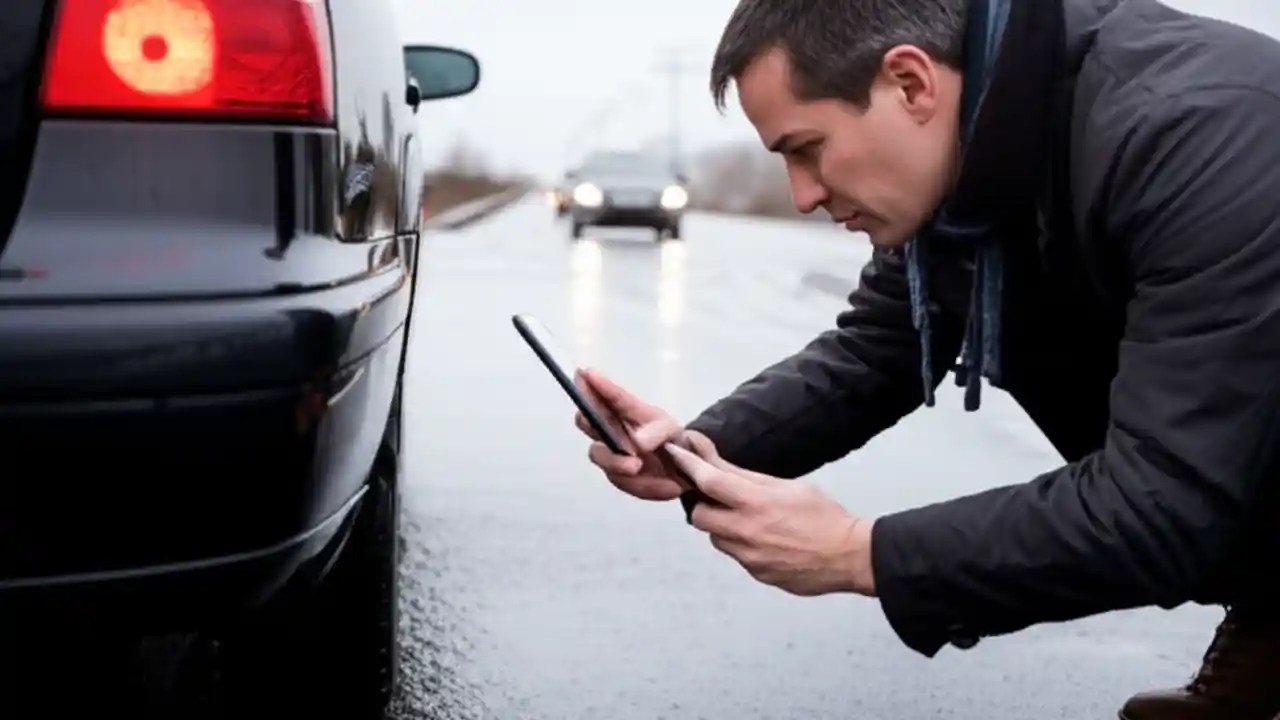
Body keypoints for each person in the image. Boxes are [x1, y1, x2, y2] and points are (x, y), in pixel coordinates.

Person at [574, 0, 1280, 718]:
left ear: (911, 83)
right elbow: (879, 348)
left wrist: (862, 553)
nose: (803, 194)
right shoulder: (977, 142)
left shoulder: (1196, 133)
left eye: (807, 148)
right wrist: (701, 449)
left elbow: (1165, 497)